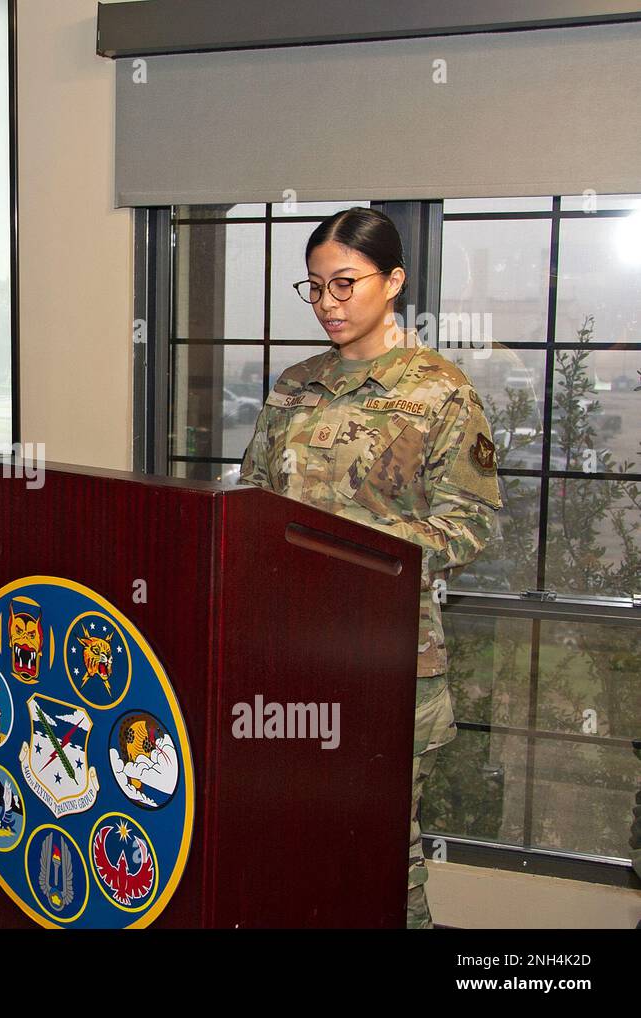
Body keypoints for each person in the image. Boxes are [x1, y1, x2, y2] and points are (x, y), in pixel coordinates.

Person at [238, 207, 502, 930]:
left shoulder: (440, 391)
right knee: (292, 838)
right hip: (290, 655)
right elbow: (251, 499)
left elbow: (473, 522)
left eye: (345, 284)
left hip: (391, 662)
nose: (328, 303)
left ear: (393, 281)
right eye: (316, 287)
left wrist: (362, 546)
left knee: (381, 850)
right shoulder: (294, 386)